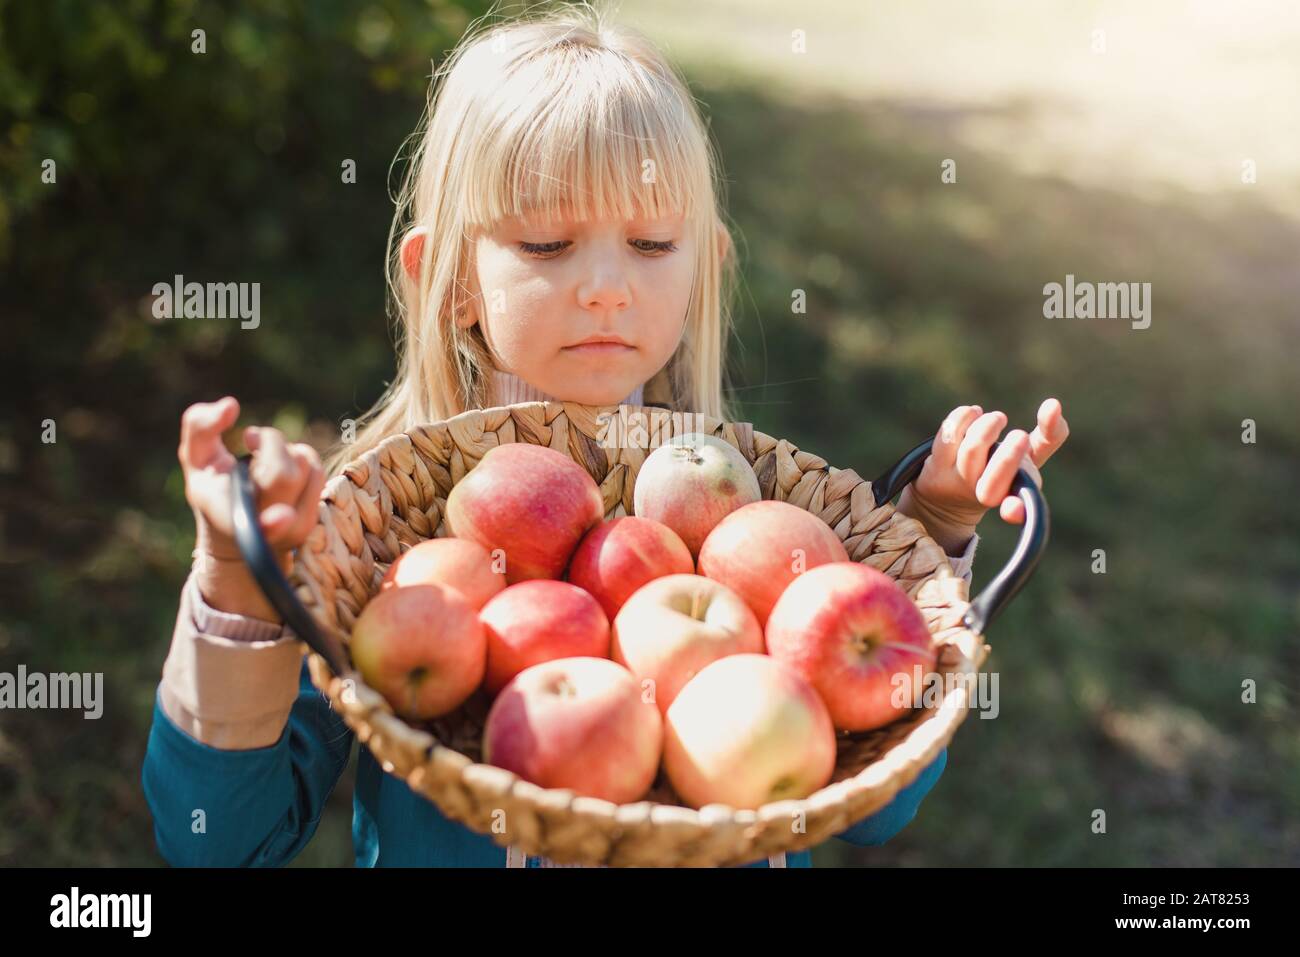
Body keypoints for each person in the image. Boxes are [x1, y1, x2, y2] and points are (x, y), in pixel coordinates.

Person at [142, 2, 1069, 868]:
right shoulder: (387, 546)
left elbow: (877, 808)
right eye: (545, 245)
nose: (605, 287)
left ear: (704, 269)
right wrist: (236, 575)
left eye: (653, 244)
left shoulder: (745, 526)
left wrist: (933, 528)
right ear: (448, 281)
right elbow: (224, 841)